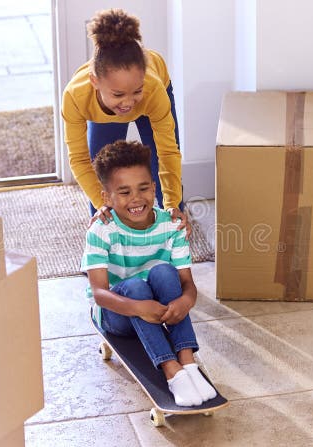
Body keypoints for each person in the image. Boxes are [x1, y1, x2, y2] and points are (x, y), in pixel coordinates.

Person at [81, 140, 216, 407]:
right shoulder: (101, 230)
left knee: (165, 272)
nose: (136, 199)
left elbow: (186, 282)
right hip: (117, 314)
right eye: (124, 192)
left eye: (143, 188)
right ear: (107, 198)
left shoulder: (172, 225)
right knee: (135, 287)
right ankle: (171, 371)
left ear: (154, 187)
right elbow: (99, 293)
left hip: (157, 308)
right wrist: (138, 306)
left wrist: (185, 301)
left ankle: (188, 362)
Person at [62, 8, 190, 235]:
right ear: (95, 82)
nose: (128, 103)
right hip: (102, 111)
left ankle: (173, 225)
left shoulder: (152, 90)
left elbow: (168, 153)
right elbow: (80, 159)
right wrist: (101, 203)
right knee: (104, 176)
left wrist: (171, 204)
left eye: (135, 91)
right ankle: (105, 230)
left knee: (158, 167)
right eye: (119, 94)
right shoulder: (76, 97)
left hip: (152, 98)